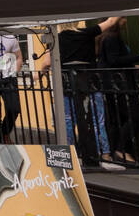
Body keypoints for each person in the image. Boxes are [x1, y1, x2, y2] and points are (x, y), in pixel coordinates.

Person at [37, 17, 121, 168]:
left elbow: (47, 62)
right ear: (75, 22)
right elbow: (110, 23)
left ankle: (70, 154)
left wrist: (41, 73)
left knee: (68, 120)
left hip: (66, 82)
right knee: (97, 118)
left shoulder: (57, 38)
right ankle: (105, 154)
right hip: (90, 81)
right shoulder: (87, 33)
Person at [99, 17, 139, 164]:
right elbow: (113, 61)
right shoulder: (111, 38)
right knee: (134, 118)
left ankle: (114, 152)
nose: (125, 20)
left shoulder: (109, 38)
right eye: (122, 18)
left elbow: (113, 62)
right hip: (119, 85)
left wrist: (134, 67)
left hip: (116, 82)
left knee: (119, 120)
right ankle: (121, 149)